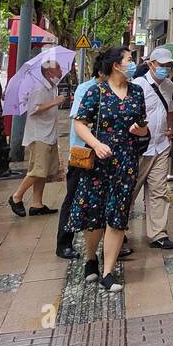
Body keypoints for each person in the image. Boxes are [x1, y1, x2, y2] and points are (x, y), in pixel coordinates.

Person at [68, 46, 148, 291]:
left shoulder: (136, 92)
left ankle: (108, 271)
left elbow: (143, 126)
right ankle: (91, 258)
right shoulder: (96, 92)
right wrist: (96, 143)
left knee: (118, 214)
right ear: (116, 65)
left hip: (126, 162)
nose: (132, 63)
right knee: (95, 215)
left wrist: (140, 130)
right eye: (129, 60)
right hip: (99, 163)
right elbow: (80, 123)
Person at [57, 59, 106, 259]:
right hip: (83, 153)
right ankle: (63, 243)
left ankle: (114, 243)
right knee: (74, 197)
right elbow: (79, 119)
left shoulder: (116, 89)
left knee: (106, 198)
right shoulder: (85, 89)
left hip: (106, 153)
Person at [133, 47, 173, 250]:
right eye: (162, 65)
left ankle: (158, 233)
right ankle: (118, 230)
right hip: (140, 148)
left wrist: (170, 129)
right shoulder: (137, 86)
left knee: (159, 190)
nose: (166, 69)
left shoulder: (169, 85)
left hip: (161, 145)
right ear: (151, 64)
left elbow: (169, 110)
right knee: (130, 190)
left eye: (169, 66)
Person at [8, 58, 65, 218]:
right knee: (38, 170)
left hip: (48, 134)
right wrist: (55, 102)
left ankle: (36, 203)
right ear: (48, 72)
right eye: (58, 68)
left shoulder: (51, 87)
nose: (61, 71)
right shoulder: (39, 88)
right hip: (39, 135)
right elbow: (34, 109)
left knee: (44, 172)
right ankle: (16, 196)